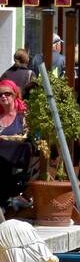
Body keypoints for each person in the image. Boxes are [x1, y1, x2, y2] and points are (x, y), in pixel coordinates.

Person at [0, 81, 33, 215]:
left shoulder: (23, 116)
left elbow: (27, 136)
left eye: (7, 94)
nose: (3, 97)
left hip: (16, 161)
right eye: (0, 94)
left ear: (15, 95)